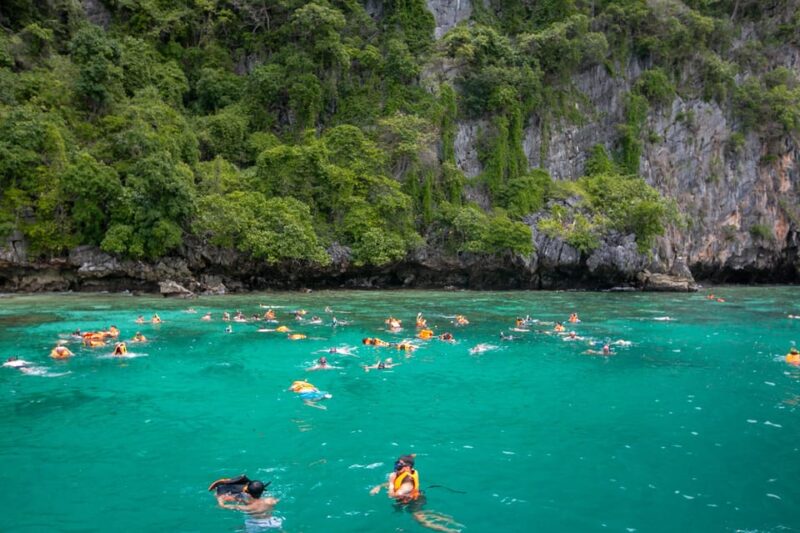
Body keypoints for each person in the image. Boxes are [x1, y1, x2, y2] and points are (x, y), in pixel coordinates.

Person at [370, 455, 462, 533]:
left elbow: (392, 495)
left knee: (419, 519)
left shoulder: (407, 484)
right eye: (397, 463)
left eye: (400, 465)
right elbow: (397, 482)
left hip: (415, 500)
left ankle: (450, 530)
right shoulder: (406, 471)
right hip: (411, 496)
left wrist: (390, 483)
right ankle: (442, 517)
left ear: (407, 468)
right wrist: (379, 486)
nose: (397, 466)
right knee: (419, 513)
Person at [209, 475, 281, 530]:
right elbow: (277, 500)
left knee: (239, 529)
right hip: (272, 521)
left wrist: (219, 499)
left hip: (255, 524)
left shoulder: (249, 507)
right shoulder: (270, 500)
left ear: (248, 493)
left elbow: (223, 506)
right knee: (280, 529)